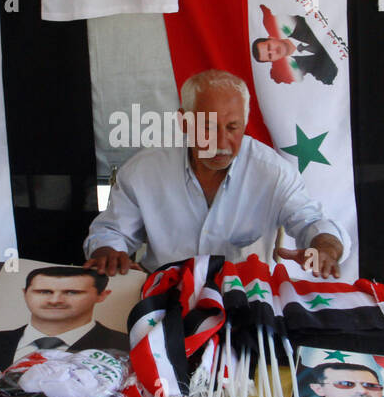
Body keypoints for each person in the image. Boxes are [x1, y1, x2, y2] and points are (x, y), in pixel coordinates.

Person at [84, 69, 348, 277]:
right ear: (184, 122)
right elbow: (113, 232)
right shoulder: (143, 171)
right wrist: (109, 251)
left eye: (232, 127)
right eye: (208, 127)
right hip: (164, 295)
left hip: (244, 301)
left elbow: (310, 221)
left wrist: (324, 246)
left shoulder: (273, 173)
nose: (221, 142)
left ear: (245, 123)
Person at [0, 266, 127, 371]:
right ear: (25, 293)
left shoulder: (127, 347)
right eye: (44, 292)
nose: (55, 300)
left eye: (72, 292)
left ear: (102, 295)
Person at [251, 14, 338, 86]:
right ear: (273, 60)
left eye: (269, 47)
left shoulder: (301, 22)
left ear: (271, 38)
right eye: (270, 55)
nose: (274, 51)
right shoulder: (303, 69)